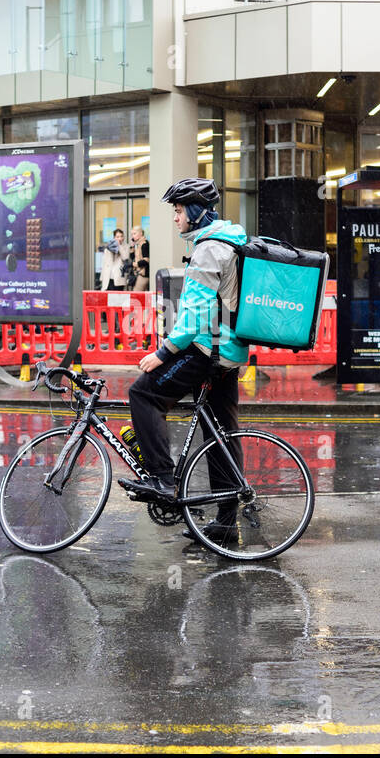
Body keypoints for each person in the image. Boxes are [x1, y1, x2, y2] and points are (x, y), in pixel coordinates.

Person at [122, 178, 247, 543]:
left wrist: (162, 353)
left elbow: (194, 315)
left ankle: (162, 479)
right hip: (229, 351)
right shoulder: (229, 240)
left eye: (178, 211)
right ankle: (226, 522)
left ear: (195, 212)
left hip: (207, 350)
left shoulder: (209, 249)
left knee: (144, 395)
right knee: (221, 433)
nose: (175, 219)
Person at [129, 225, 150, 291]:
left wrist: (132, 264)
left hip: (143, 274)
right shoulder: (138, 244)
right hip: (138, 273)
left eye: (135, 233)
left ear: (141, 233)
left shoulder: (144, 244)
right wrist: (132, 247)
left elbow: (146, 261)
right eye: (132, 234)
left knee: (136, 294)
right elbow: (133, 257)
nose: (133, 236)